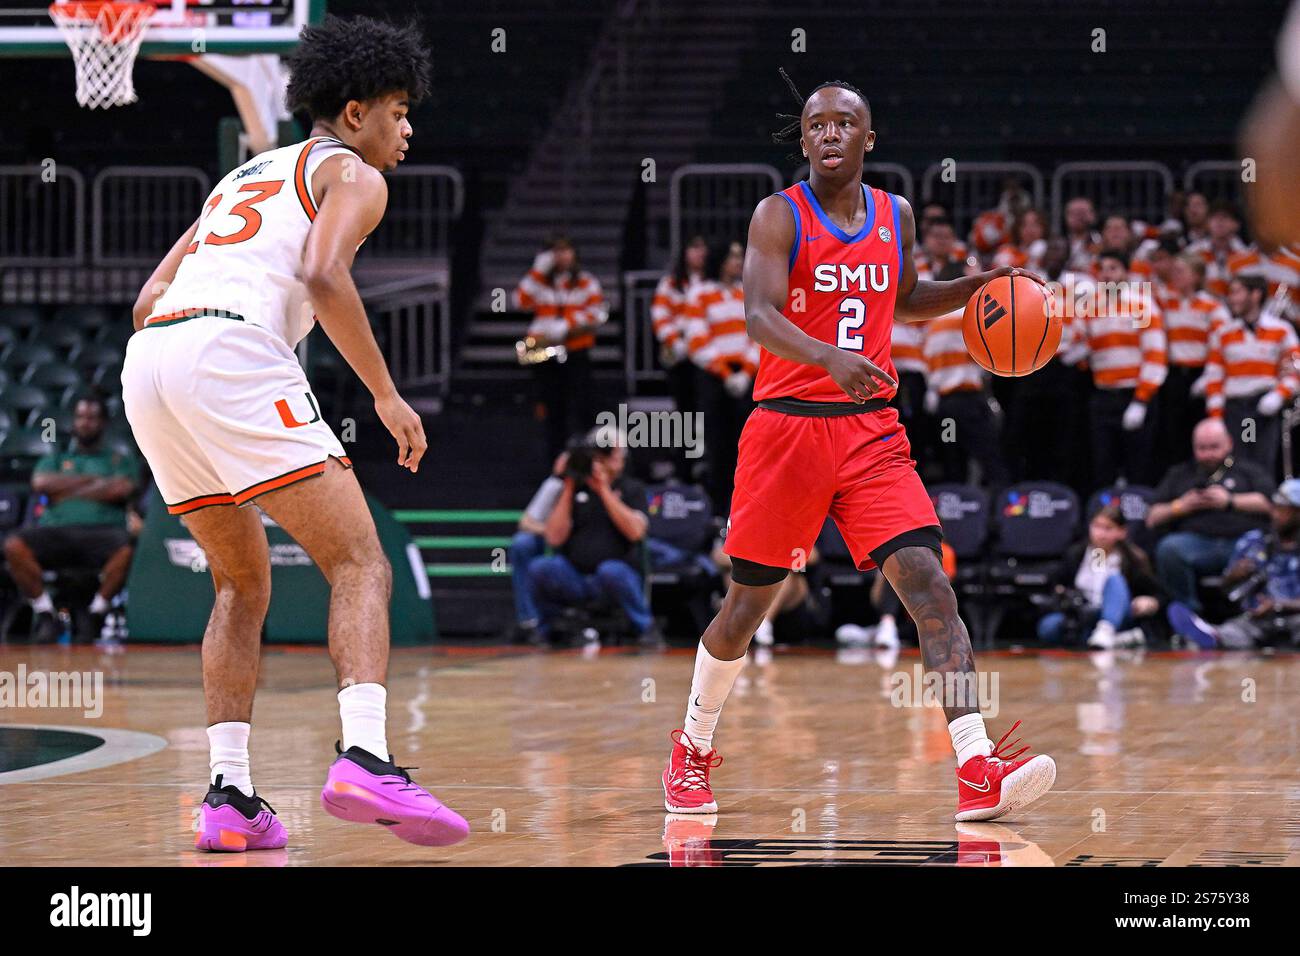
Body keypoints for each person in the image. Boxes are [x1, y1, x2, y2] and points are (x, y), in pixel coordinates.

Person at [660, 73, 1056, 824]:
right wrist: (828, 358)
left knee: (929, 583)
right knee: (746, 607)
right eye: (817, 125)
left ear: (868, 139)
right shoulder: (779, 216)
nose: (830, 134)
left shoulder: (893, 213)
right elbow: (757, 314)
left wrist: (982, 284)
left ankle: (976, 766)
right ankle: (690, 748)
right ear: (804, 139)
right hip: (786, 427)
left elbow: (903, 296)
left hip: (871, 433)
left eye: (845, 124)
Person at [123, 15, 468, 852]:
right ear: (354, 114)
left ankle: (231, 796)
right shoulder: (353, 172)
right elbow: (321, 272)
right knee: (359, 562)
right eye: (397, 109)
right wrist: (386, 395)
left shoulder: (244, 174)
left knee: (240, 587)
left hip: (151, 363)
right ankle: (367, 756)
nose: (408, 127)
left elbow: (145, 298)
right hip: (232, 352)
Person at [4, 395, 138, 643]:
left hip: (102, 533)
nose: (85, 423)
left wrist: (64, 488)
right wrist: (96, 484)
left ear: (103, 423)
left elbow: (121, 488)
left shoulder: (118, 459)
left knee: (127, 549)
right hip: (56, 532)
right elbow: (40, 483)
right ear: (73, 422)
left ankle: (97, 611)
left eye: (92, 417)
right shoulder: (56, 455)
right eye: (80, 417)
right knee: (13, 545)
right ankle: (45, 613)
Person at [526, 436, 662, 647]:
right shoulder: (573, 490)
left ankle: (646, 627)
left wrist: (603, 490)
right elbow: (553, 538)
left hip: (614, 576)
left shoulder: (631, 488)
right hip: (574, 577)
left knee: (612, 570)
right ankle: (544, 629)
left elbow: (636, 532)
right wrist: (569, 484)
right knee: (541, 567)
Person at [1146, 418, 1273, 615]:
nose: (1208, 454)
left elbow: (1272, 505)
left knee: (1263, 549)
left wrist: (1230, 501)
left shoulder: (1248, 470)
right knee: (1169, 548)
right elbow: (1152, 517)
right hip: (1197, 545)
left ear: (1229, 443)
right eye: (1201, 448)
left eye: (1214, 447)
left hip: (1241, 543)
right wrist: (1181, 506)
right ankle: (1188, 615)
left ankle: (1254, 614)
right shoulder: (1180, 473)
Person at [1168, 477, 1300, 649]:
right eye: (1274, 508)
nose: (1275, 514)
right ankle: (1211, 635)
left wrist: (1278, 606)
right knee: (1235, 631)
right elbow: (1225, 589)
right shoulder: (1255, 540)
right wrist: (1234, 576)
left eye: (1283, 510)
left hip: (1296, 618)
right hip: (1257, 620)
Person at [1075, 249, 1167, 487]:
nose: (1106, 274)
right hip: (1103, 396)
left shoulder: (1142, 303)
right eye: (1102, 269)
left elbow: (1155, 356)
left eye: (1113, 268)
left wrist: (1141, 400)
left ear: (1126, 272)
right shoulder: (1091, 307)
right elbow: (1082, 348)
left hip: (1133, 394)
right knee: (1102, 467)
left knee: (1138, 468)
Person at [515, 235, 608, 458]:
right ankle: (555, 461)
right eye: (555, 251)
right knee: (552, 409)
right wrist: (537, 271)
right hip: (545, 353)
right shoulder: (540, 282)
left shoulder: (586, 281)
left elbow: (598, 313)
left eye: (566, 250)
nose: (561, 256)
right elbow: (519, 301)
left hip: (576, 350)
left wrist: (567, 325)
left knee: (583, 407)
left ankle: (587, 460)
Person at [684, 240, 757, 513]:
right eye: (732, 256)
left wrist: (747, 372)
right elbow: (697, 341)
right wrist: (726, 374)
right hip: (714, 378)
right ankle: (717, 512)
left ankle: (745, 508)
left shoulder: (748, 292)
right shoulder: (699, 293)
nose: (738, 262)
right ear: (719, 259)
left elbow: (758, 335)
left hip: (746, 377)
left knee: (747, 446)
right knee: (717, 444)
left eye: (740, 256)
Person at [1203, 275, 1299, 478]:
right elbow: (1214, 376)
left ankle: (1260, 503)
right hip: (1235, 407)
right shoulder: (1223, 333)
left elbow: (1295, 370)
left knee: (1259, 459)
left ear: (1255, 295)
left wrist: (1279, 395)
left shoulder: (1281, 330)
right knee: (1236, 460)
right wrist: (1215, 415)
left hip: (1260, 407)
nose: (1231, 299)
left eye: (1237, 292)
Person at [1036, 504, 1164, 649]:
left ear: (1122, 532)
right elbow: (1064, 583)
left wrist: (1150, 602)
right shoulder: (1078, 554)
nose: (1100, 534)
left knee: (1114, 580)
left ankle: (1107, 630)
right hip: (1084, 612)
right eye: (1097, 526)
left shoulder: (1133, 559)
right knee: (1048, 627)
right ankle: (1116, 640)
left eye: (1108, 528)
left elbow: (1159, 594)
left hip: (1118, 613)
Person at [1152, 252, 1228, 476]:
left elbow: (1220, 344)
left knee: (1197, 432)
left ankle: (1203, 476)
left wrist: (1207, 378)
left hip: (1200, 375)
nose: (1174, 275)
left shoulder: (1212, 307)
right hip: (1173, 375)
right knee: (1171, 434)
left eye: (1180, 271)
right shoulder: (1165, 301)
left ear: (1196, 276)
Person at [652, 235, 709, 478]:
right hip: (680, 357)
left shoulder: (712, 282)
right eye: (694, 247)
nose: (699, 253)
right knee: (683, 412)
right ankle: (683, 467)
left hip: (706, 358)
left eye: (702, 248)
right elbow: (660, 316)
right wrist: (677, 343)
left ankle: (705, 465)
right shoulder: (670, 283)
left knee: (706, 411)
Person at [507, 450, 570, 644]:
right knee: (521, 544)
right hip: (554, 541)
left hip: (586, 543)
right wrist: (550, 532)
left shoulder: (602, 485)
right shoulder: (554, 485)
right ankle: (530, 621)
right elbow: (526, 522)